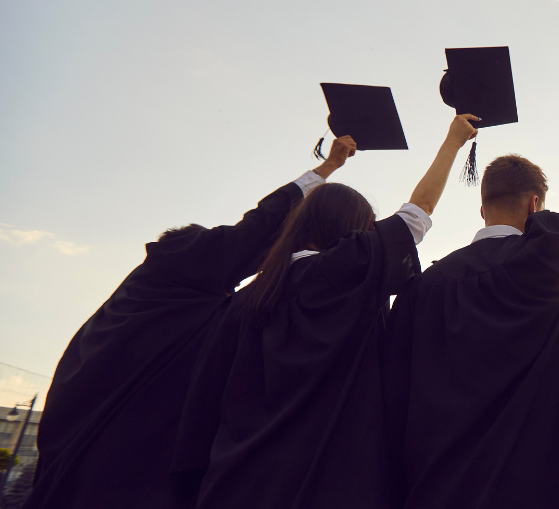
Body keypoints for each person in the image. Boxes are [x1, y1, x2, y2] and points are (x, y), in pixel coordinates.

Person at [25, 137, 357, 509]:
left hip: (80, 461)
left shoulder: (144, 306)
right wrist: (325, 170)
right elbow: (256, 229)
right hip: (120, 468)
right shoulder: (179, 260)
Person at [175, 114, 478, 509]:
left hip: (234, 484)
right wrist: (452, 142)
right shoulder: (346, 270)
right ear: (353, 231)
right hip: (330, 482)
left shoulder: (244, 302)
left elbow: (202, 409)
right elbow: (416, 214)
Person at [384, 102, 559, 508]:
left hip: (436, 490)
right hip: (534, 488)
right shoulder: (541, 262)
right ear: (535, 206)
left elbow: (392, 401)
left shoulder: (422, 290)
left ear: (482, 209)